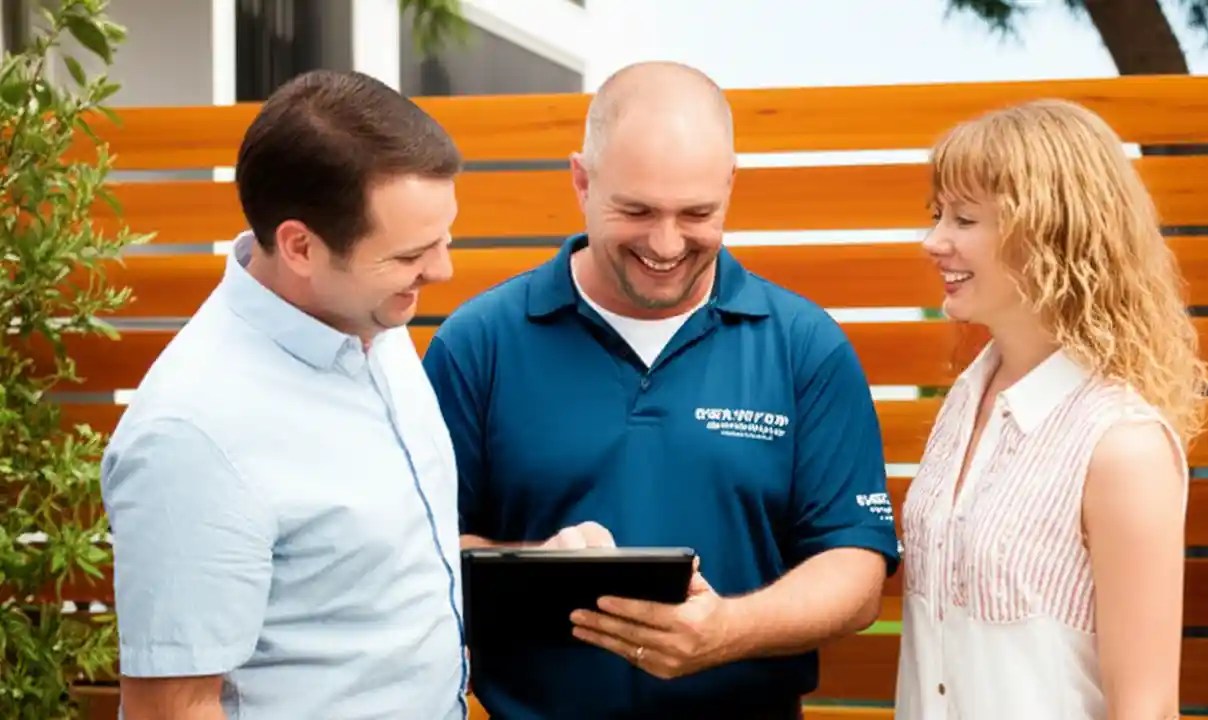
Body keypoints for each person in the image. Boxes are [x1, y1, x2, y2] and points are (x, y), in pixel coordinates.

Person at [422, 61, 900, 720]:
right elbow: (417, 551)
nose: (667, 243)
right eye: (637, 210)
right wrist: (533, 563)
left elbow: (855, 570)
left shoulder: (804, 347)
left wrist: (725, 631)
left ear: (730, 186)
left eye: (697, 213)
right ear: (582, 181)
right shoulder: (480, 343)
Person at [100, 69, 469, 720]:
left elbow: (372, 568)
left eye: (445, 238)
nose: (442, 270)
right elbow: (174, 708)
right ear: (301, 246)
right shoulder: (193, 433)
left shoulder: (369, 319)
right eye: (413, 253)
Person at [894, 98, 1208, 719]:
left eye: (964, 219)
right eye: (938, 215)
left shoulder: (1123, 447)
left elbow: (1145, 708)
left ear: (1049, 232)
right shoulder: (962, 404)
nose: (934, 242)